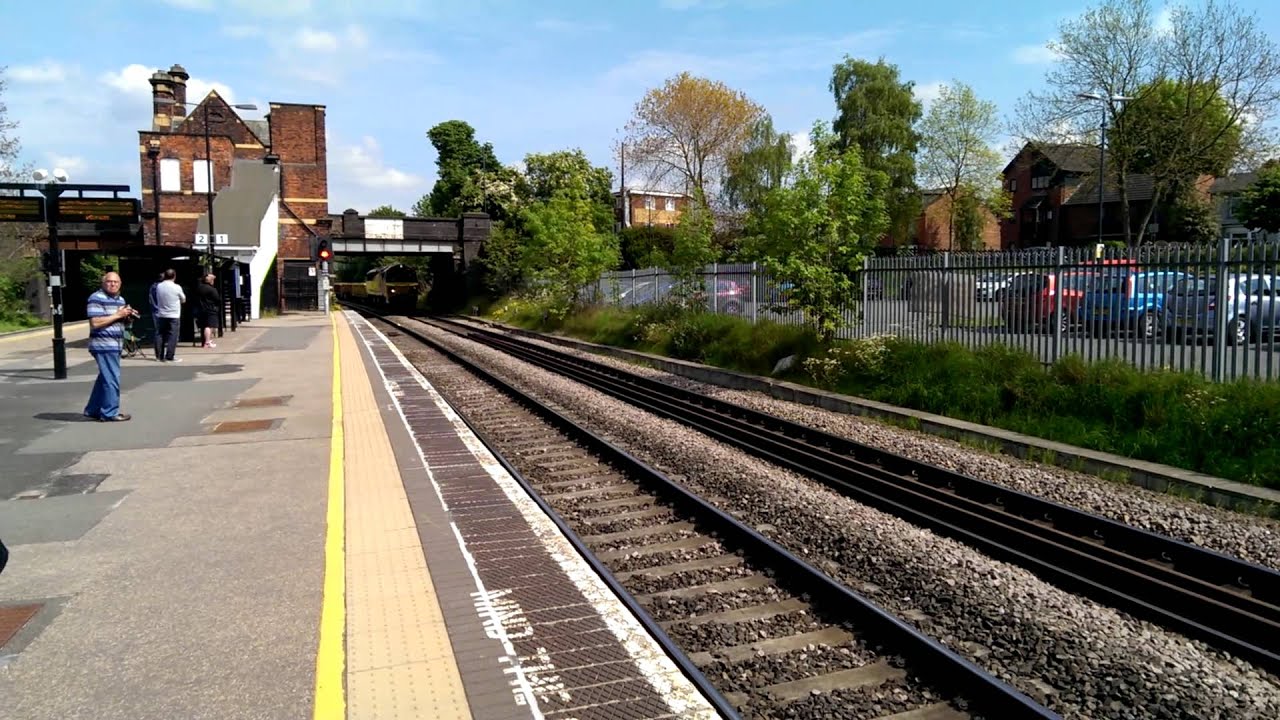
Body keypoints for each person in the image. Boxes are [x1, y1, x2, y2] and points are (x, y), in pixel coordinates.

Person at [84, 271, 139, 422]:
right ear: (103, 283)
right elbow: (95, 323)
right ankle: (110, 412)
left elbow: (119, 321)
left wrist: (127, 318)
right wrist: (118, 315)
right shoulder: (96, 298)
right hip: (103, 345)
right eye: (109, 281)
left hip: (115, 344)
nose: (113, 284)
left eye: (116, 282)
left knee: (105, 377)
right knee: (112, 378)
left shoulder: (120, 300)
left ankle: (92, 409)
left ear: (120, 284)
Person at [153, 268, 186, 362]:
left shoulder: (159, 286)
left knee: (159, 334)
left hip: (161, 314)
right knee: (173, 336)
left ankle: (159, 356)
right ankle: (170, 356)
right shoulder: (177, 287)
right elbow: (183, 299)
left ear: (165, 276)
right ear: (174, 276)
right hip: (174, 315)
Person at [196, 273, 221, 349]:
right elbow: (217, 299)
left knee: (204, 325)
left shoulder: (199, 288)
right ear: (210, 281)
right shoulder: (212, 289)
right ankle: (207, 342)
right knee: (209, 326)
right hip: (210, 309)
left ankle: (207, 341)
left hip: (201, 308)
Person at [148, 272, 163, 360]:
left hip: (156, 310)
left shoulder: (153, 286)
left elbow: (151, 299)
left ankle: (158, 354)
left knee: (158, 332)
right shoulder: (161, 287)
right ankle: (161, 354)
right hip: (162, 310)